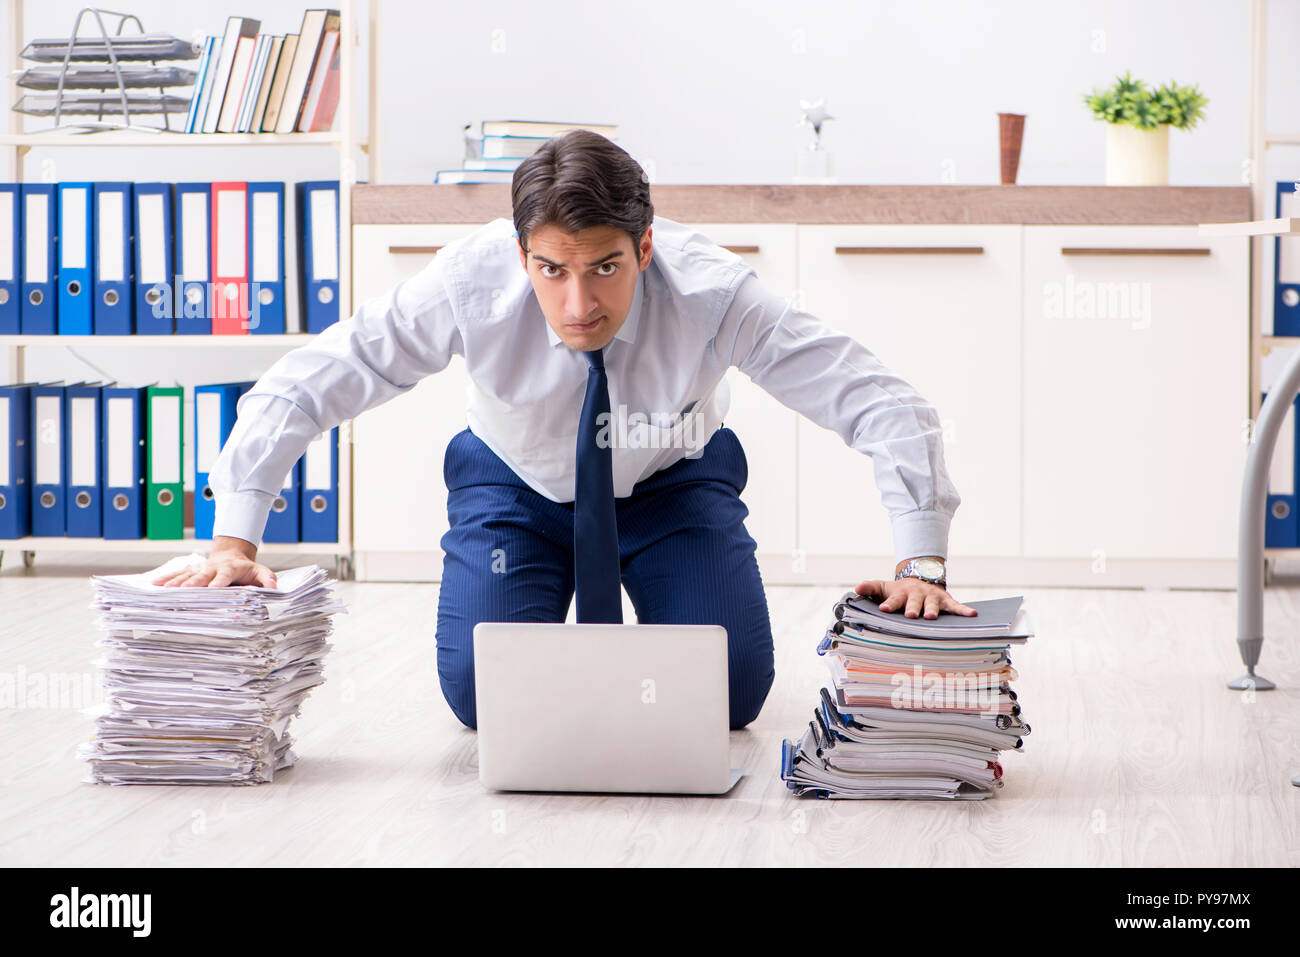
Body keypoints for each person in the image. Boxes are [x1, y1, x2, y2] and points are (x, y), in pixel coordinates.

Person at [153, 129, 975, 729]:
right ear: (521, 256)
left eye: (605, 269)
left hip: (672, 483)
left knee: (727, 691)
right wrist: (235, 540)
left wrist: (921, 557)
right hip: (517, 484)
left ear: (645, 246)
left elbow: (874, 396)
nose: (579, 305)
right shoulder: (465, 282)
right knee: (486, 693)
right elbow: (312, 380)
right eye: (552, 270)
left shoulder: (714, 293)